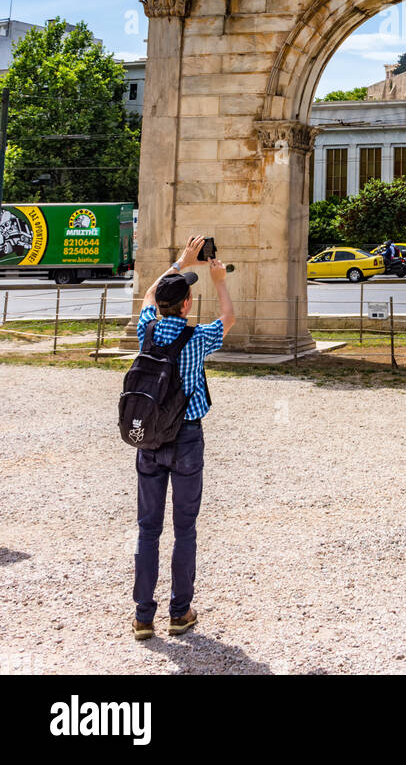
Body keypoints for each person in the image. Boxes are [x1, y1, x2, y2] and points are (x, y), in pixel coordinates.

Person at [131, 235, 235, 641]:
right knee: (185, 528)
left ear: (161, 306)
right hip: (187, 438)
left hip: (150, 438)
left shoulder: (147, 330)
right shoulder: (197, 338)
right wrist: (219, 279)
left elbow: (148, 296)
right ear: (188, 304)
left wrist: (178, 262)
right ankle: (180, 611)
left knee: (147, 528)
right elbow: (228, 318)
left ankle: (142, 616)